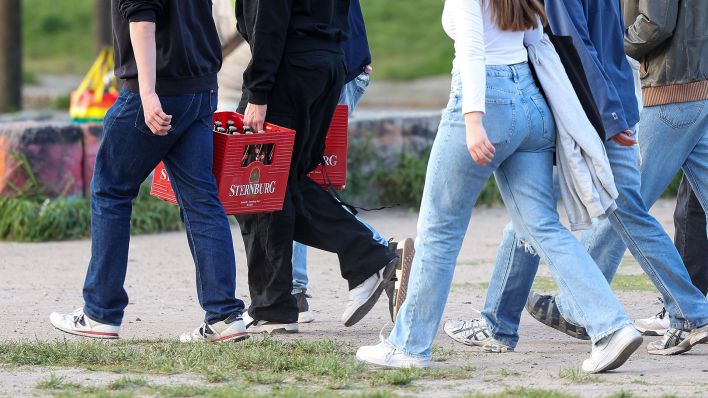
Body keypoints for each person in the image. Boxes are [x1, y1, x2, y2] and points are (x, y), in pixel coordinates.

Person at [357, 0, 641, 373]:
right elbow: (535, 38)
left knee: (440, 230)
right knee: (542, 225)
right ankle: (612, 326)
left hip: (486, 100)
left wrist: (474, 119)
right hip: (532, 103)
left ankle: (409, 345)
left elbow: (472, 48)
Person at [445, 0, 708, 356]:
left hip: (581, 108)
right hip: (609, 102)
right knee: (619, 212)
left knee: (536, 214)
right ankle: (689, 310)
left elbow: (576, 44)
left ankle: (507, 324)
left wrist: (609, 115)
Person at [50, 0, 248, 343]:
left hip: (159, 92)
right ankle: (224, 316)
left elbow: (142, 20)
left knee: (111, 191)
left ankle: (100, 311)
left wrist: (147, 94)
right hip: (200, 89)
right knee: (202, 200)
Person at [234, 0, 403, 335]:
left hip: (288, 70)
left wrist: (258, 89)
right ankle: (279, 304)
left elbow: (270, 16)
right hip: (324, 65)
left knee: (256, 186)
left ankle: (365, 258)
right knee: (285, 185)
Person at [289, 0, 412, 325]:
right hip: (341, 63)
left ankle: (378, 254)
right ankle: (294, 290)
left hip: (327, 68)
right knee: (298, 180)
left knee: (291, 181)